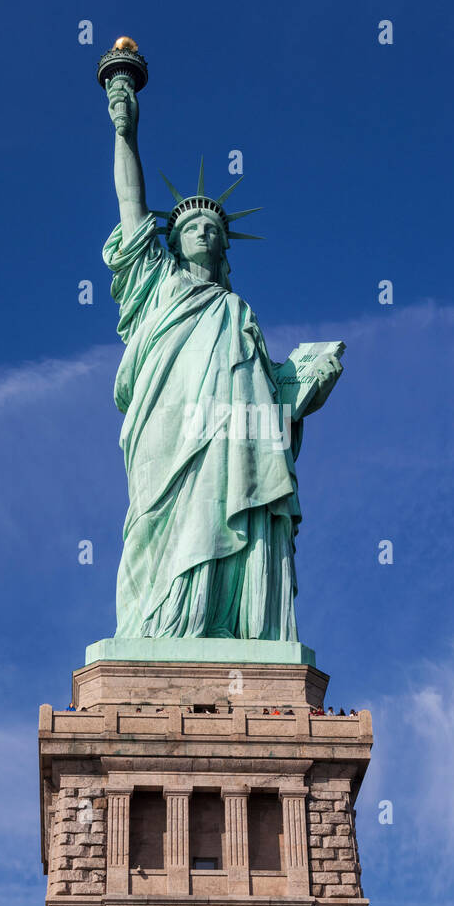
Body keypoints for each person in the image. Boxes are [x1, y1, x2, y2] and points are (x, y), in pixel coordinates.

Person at [103, 71, 342, 640]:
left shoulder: (239, 316)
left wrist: (305, 380)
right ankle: (159, 630)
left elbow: (270, 395)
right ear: (174, 239)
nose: (204, 235)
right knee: (155, 523)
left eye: (213, 227)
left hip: (231, 438)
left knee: (225, 508)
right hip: (166, 432)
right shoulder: (155, 286)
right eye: (191, 227)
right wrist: (125, 133)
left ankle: (226, 625)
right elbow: (131, 203)